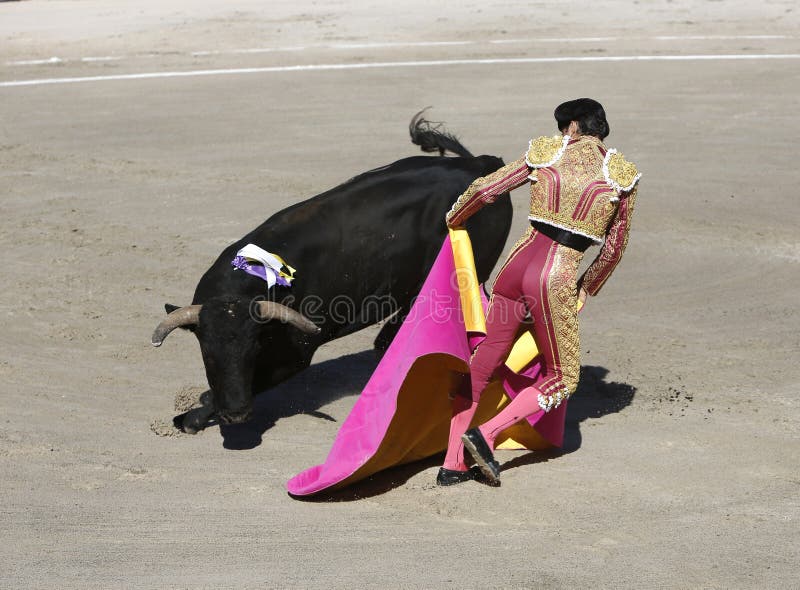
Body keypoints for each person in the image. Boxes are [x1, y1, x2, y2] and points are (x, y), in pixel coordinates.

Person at [437, 98, 641, 486]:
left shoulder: (549, 151)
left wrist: (454, 219)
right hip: (555, 276)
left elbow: (485, 189)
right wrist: (586, 286)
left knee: (484, 361)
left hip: (515, 268)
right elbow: (614, 250)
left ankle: (451, 465)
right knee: (563, 376)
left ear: (573, 126)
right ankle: (486, 434)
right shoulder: (622, 174)